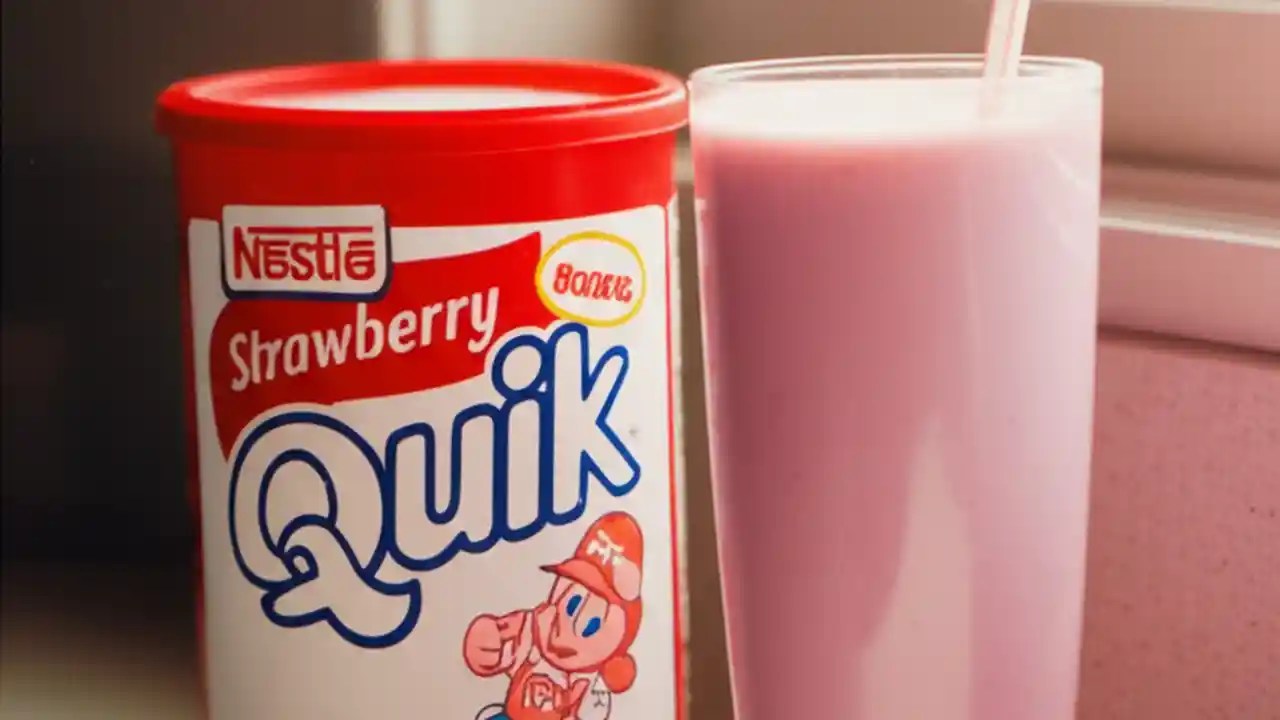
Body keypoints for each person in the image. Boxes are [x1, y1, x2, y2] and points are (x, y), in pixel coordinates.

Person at [463, 513, 644, 720]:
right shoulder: (531, 631)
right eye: (570, 605)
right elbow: (491, 648)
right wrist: (485, 643)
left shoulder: (593, 685)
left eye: (592, 626)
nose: (568, 629)